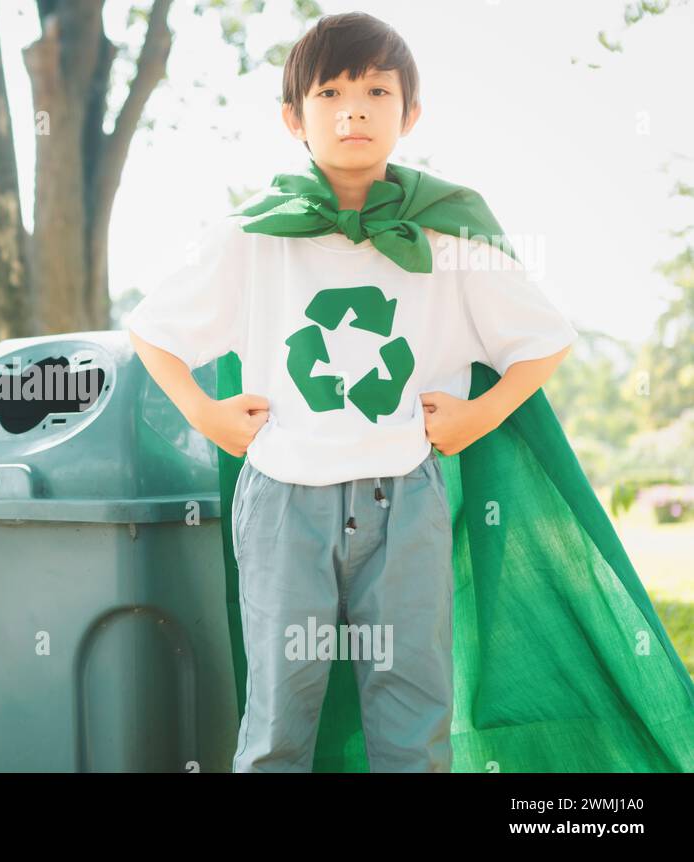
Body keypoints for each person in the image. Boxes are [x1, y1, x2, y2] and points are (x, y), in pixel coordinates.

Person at [127, 11, 582, 772]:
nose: (353, 109)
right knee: (279, 709)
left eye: (377, 90)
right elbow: (154, 331)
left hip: (403, 497)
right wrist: (205, 414)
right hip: (283, 498)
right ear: (292, 117)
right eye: (330, 91)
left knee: (414, 705)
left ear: (410, 113)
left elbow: (544, 338)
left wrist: (479, 416)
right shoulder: (254, 235)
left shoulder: (446, 234)